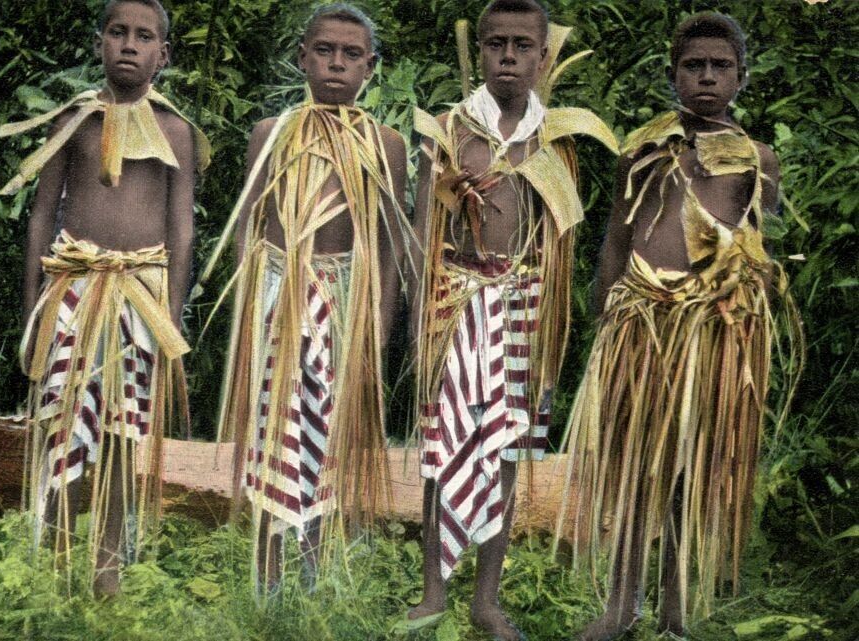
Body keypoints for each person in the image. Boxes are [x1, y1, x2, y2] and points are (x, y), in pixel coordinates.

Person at [555, 13, 803, 640]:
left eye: (721, 67)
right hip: (639, 322)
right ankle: (619, 607)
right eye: (694, 66)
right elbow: (617, 234)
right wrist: (607, 309)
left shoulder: (756, 159)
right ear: (673, 75)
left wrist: (742, 316)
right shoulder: (642, 148)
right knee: (634, 464)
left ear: (741, 78)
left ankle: (673, 614)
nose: (707, 77)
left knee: (694, 468)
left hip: (715, 331)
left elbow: (756, 246)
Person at [406, 1, 618, 638]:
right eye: (495, 43)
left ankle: (487, 599)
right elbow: (424, 227)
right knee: (443, 445)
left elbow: (562, 238)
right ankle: (434, 590)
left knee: (506, 444)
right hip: (454, 297)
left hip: (526, 301)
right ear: (481, 52)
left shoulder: (553, 137)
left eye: (521, 46)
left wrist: (553, 323)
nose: (507, 56)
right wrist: (423, 308)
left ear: (542, 57)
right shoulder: (448, 128)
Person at [0, 0, 209, 596]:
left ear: (163, 55)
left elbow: (182, 227)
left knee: (122, 430)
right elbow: (42, 214)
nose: (129, 45)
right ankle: (58, 557)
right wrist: (35, 302)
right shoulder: (74, 121)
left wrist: (172, 311)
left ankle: (108, 565)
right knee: (61, 419)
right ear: (99, 43)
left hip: (141, 297)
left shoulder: (175, 131)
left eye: (144, 37)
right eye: (118, 32)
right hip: (73, 286)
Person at [199, 3, 411, 593]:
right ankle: (268, 574)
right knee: (273, 428)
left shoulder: (385, 144)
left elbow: (392, 242)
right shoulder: (271, 134)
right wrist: (249, 303)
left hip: (346, 297)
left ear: (370, 65)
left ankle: (317, 571)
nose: (336, 63)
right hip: (278, 293)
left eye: (350, 54)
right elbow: (248, 222)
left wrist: (381, 321)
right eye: (325, 51)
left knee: (332, 430)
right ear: (302, 58)